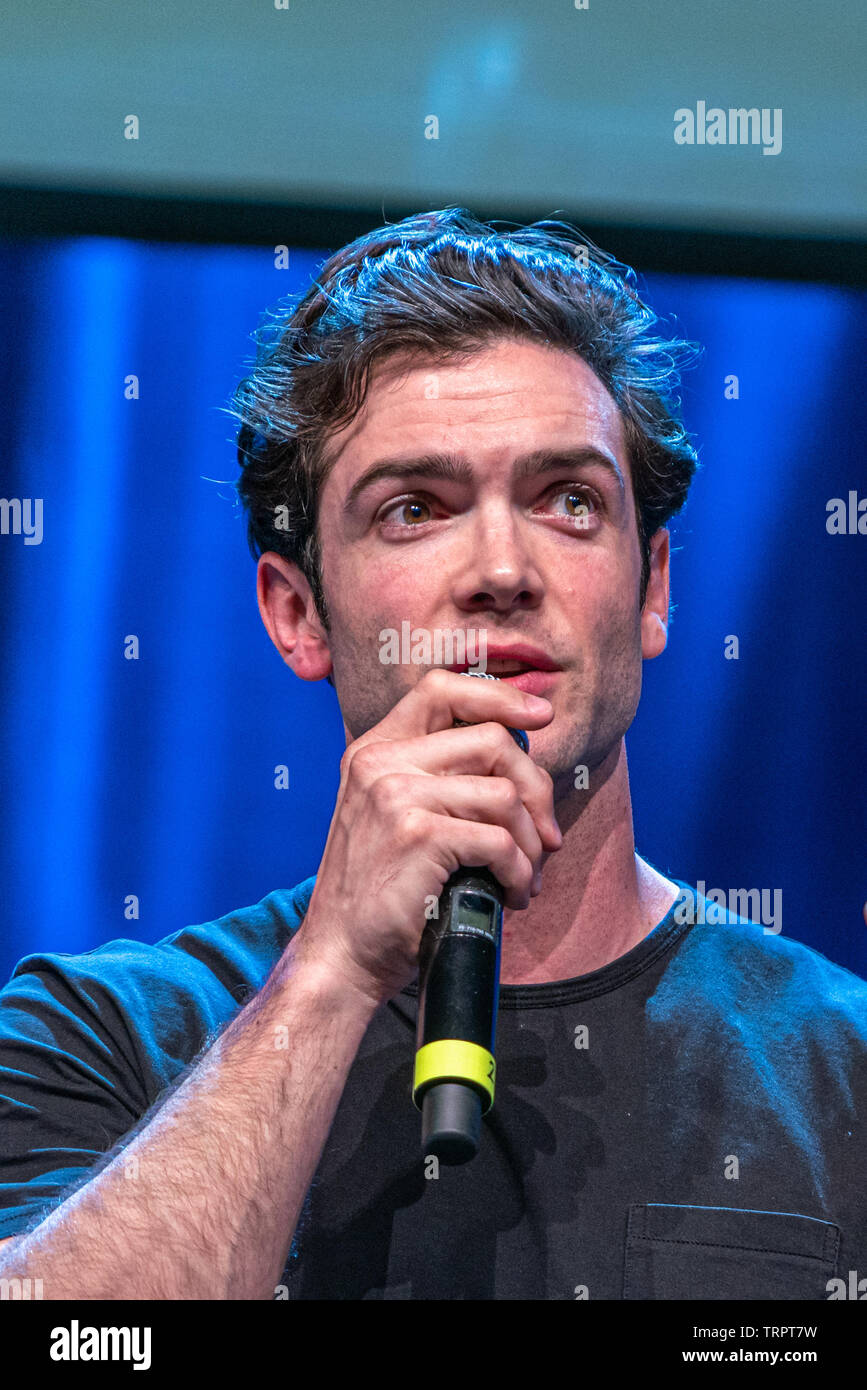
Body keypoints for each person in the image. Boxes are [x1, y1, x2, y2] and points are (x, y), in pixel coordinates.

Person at [1, 209, 865, 1301]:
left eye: (568, 500)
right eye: (416, 508)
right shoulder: (106, 1035)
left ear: (654, 588)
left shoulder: (845, 1068)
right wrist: (333, 976)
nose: (503, 568)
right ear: (297, 610)